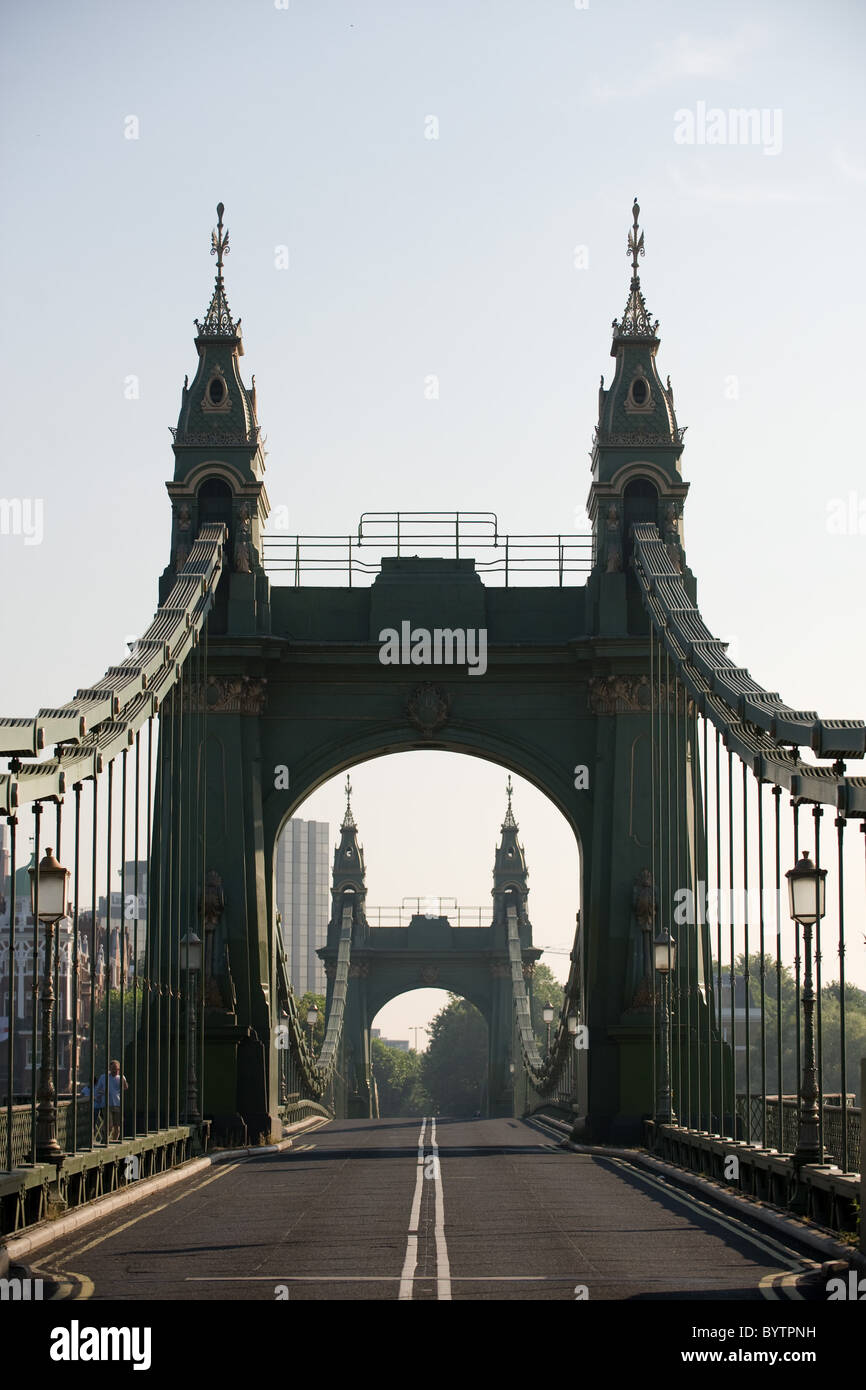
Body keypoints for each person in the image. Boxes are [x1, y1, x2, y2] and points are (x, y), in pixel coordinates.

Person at [94, 1060, 128, 1141]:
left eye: (117, 1069)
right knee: (109, 1124)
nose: (115, 1071)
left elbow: (125, 1088)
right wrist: (101, 1094)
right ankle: (105, 1139)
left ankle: (114, 1141)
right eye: (113, 1069)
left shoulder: (121, 1077)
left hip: (117, 1103)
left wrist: (124, 1081)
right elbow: (97, 1089)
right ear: (110, 1068)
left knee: (117, 1126)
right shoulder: (103, 1077)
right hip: (106, 1104)